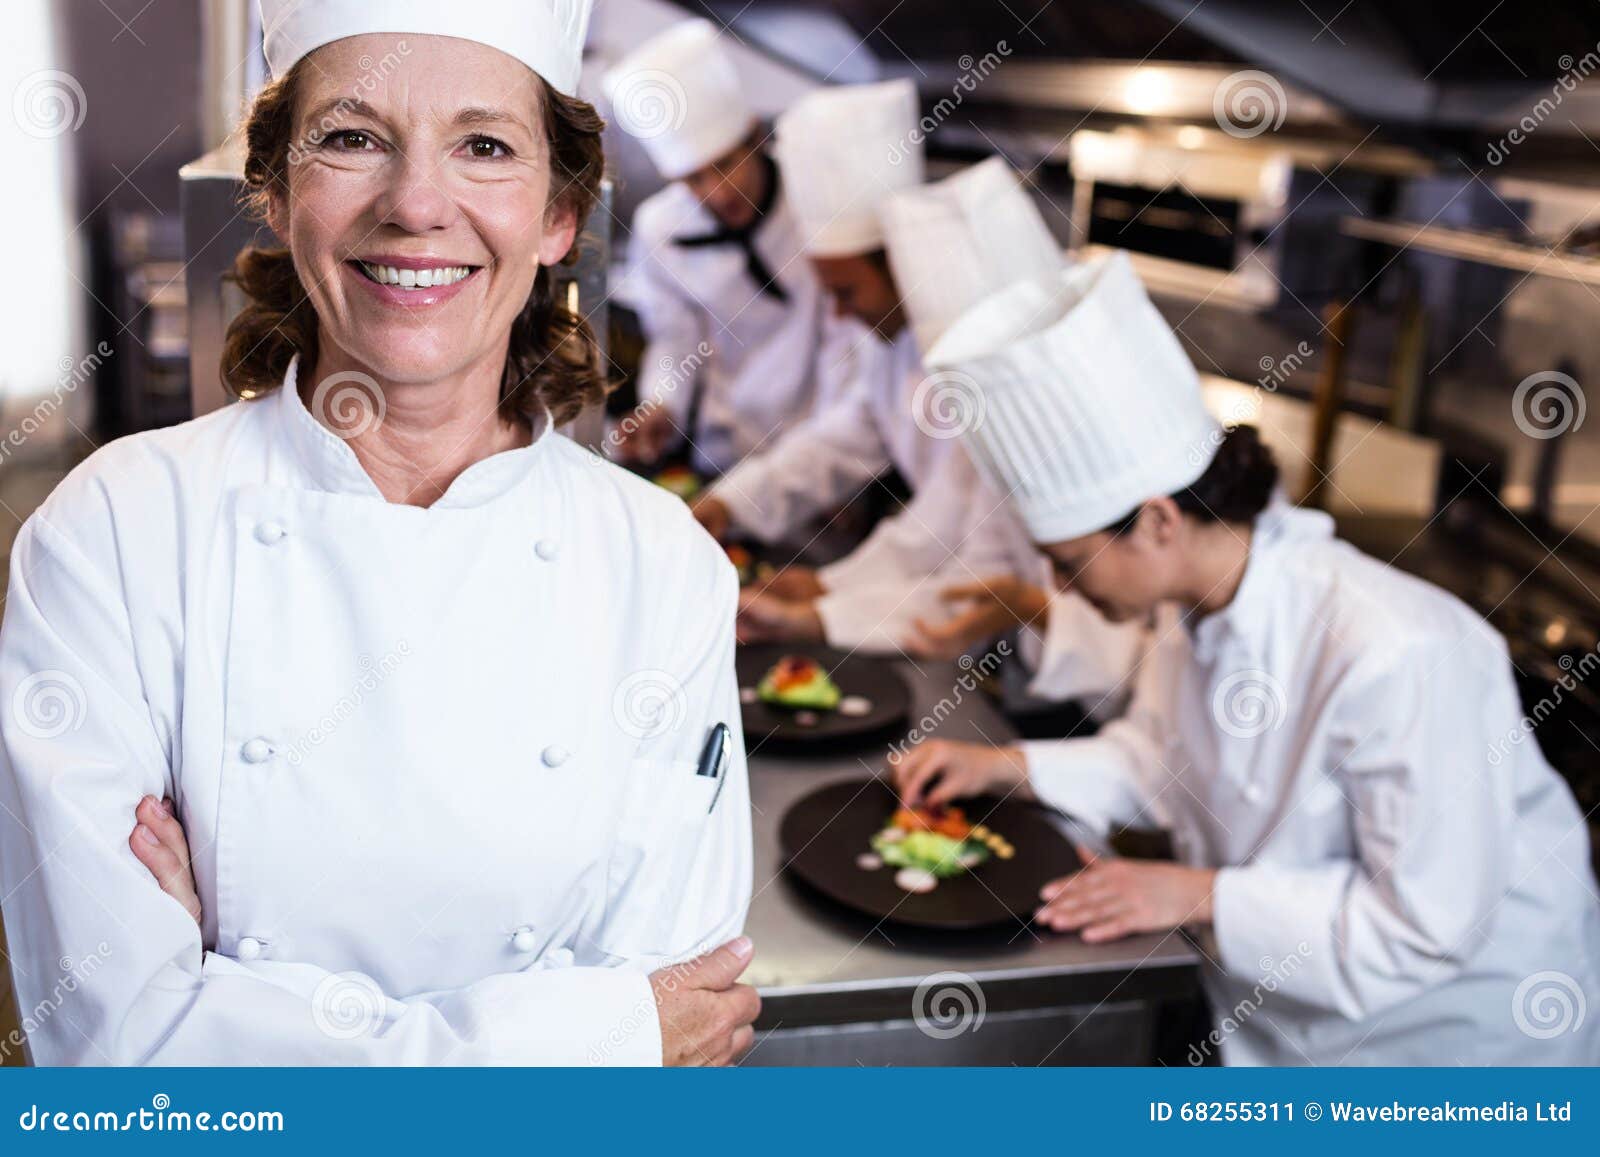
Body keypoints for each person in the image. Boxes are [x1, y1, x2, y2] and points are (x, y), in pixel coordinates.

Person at [0, 0, 757, 1067]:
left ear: (557, 215)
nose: (415, 204)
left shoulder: (661, 559)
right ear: (273, 190)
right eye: (352, 138)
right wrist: (584, 1038)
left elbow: (683, 1006)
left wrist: (225, 997)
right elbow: (115, 1060)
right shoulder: (114, 531)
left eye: (484, 147)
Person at [890, 252, 1600, 1065]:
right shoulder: (1193, 610)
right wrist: (1005, 768)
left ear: (1158, 521)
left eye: (1069, 557)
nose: (1060, 587)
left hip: (1457, 1049)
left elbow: (1426, 925)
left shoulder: (1397, 651)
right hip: (1292, 1024)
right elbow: (1166, 760)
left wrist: (1194, 892)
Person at [604, 19, 848, 475]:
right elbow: (676, 339)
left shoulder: (814, 201)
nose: (717, 192)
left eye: (726, 164)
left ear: (755, 137)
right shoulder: (660, 227)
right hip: (722, 450)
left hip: (819, 443)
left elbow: (845, 343)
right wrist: (661, 406)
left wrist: (836, 464)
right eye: (695, 178)